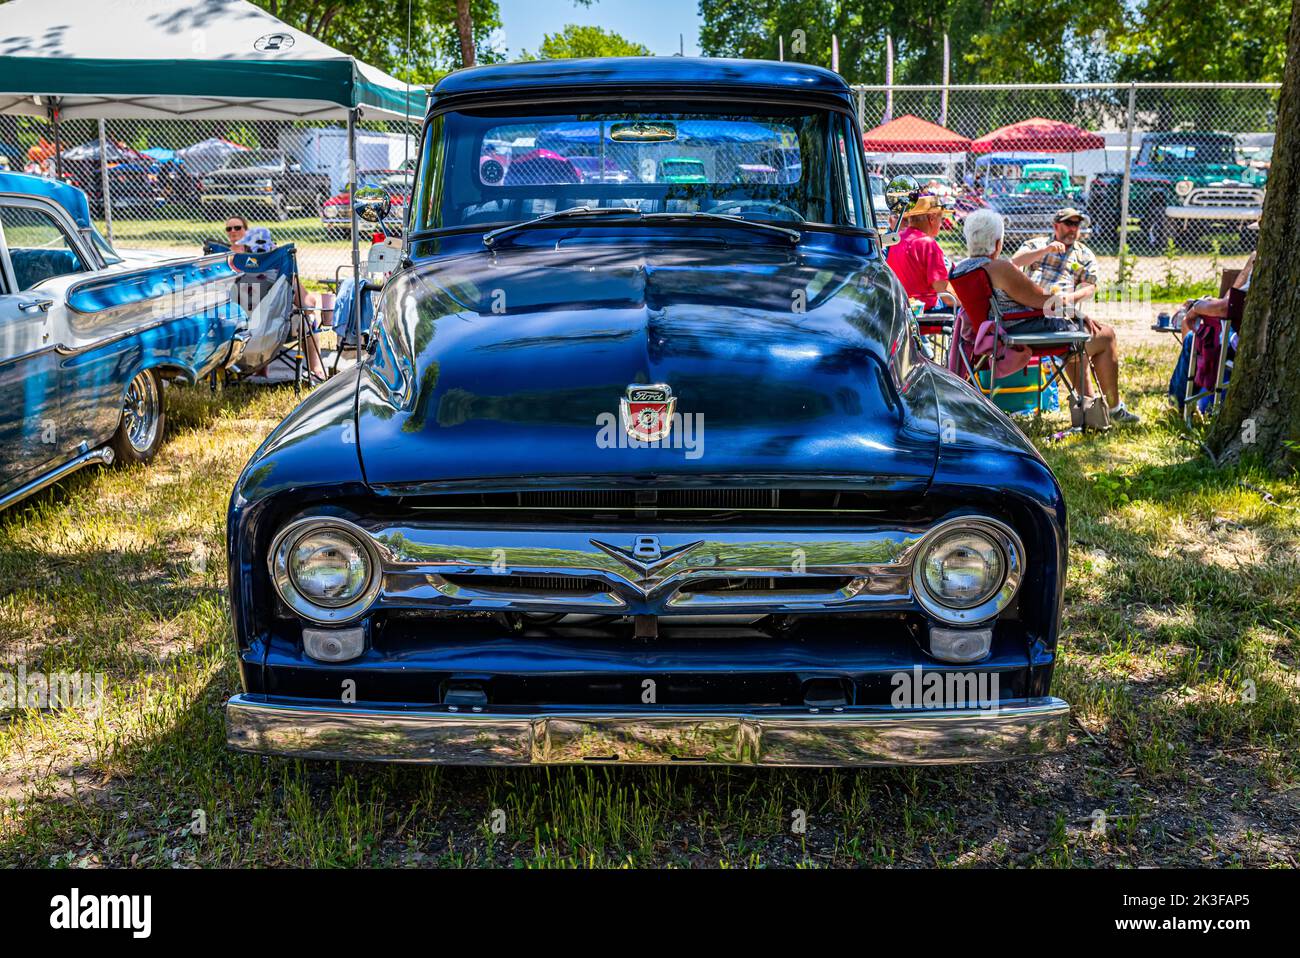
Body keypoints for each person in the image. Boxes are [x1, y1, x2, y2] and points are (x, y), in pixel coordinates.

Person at [1009, 208, 1139, 423]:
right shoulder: (1036, 244)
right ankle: (1097, 409)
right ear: (1055, 225)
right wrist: (1046, 250)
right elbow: (1015, 262)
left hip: (1062, 312)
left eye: (1077, 225)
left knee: (1103, 334)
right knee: (1080, 340)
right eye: (1069, 224)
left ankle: (1105, 408)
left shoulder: (1084, 253)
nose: (1073, 229)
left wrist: (1070, 300)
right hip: (1032, 313)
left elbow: (1089, 287)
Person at [885, 194, 954, 312]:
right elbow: (945, 294)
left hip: (900, 310)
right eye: (941, 219)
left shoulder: (897, 239)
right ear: (932, 218)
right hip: (923, 313)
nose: (941, 224)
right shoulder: (927, 244)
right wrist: (965, 304)